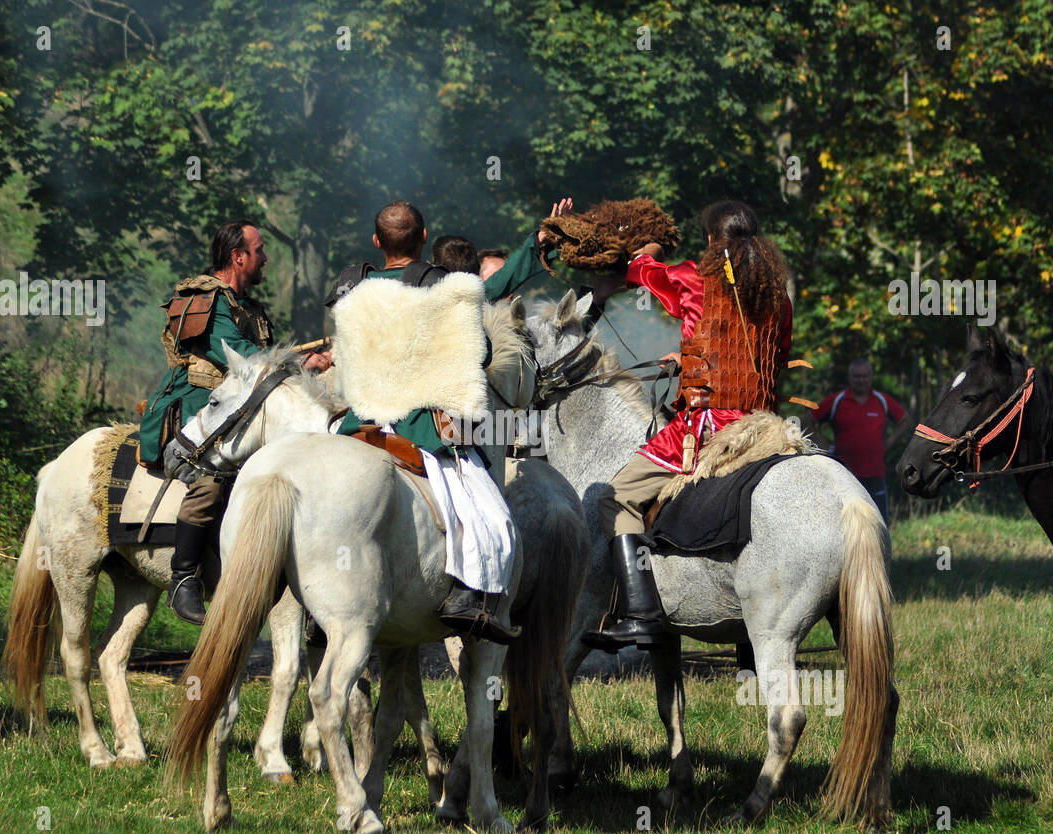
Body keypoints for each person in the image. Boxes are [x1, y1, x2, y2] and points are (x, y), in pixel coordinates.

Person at [325, 200, 538, 642]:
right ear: (424, 239)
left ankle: (314, 609)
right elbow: (479, 354)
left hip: (360, 423)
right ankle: (470, 596)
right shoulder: (444, 289)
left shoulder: (352, 288)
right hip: (419, 425)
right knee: (489, 511)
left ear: (375, 242)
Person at [585, 200, 794, 652]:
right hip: (765, 426)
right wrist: (691, 358)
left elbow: (644, 271)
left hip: (710, 428)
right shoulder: (779, 297)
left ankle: (640, 613)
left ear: (710, 241)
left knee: (616, 497)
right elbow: (765, 355)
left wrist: (647, 247)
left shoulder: (693, 278)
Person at [137, 221, 274, 624]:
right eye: (259, 250)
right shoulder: (206, 299)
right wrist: (296, 361)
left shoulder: (250, 308)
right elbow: (240, 355)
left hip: (235, 413)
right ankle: (184, 580)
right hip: (194, 413)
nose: (265, 258)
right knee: (209, 481)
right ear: (238, 256)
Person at [810, 359, 913, 523]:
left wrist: (888, 442)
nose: (861, 380)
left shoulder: (881, 400)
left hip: (875, 475)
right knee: (845, 525)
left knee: (879, 525)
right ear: (850, 378)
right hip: (844, 477)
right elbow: (808, 421)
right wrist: (825, 447)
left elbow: (905, 420)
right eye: (857, 376)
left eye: (865, 376)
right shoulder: (837, 400)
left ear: (871, 377)